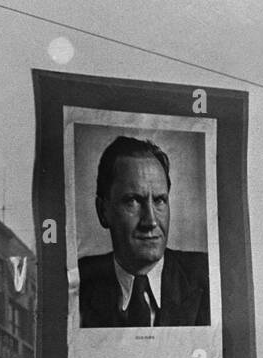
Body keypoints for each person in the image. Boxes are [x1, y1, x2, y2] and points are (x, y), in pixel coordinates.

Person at [78, 135, 211, 328]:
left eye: (159, 200)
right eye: (133, 201)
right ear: (103, 211)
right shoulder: (77, 281)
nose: (150, 221)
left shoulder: (207, 275)